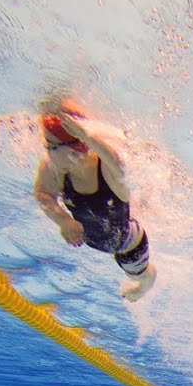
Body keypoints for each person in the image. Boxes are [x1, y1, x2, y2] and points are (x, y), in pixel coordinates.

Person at [33, 99, 157, 302]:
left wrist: (86, 136)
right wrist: (62, 220)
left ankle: (144, 287)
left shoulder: (107, 172)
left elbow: (118, 164)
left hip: (126, 243)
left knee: (143, 276)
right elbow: (42, 194)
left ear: (75, 150)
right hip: (96, 238)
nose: (46, 152)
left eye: (51, 147)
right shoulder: (53, 167)